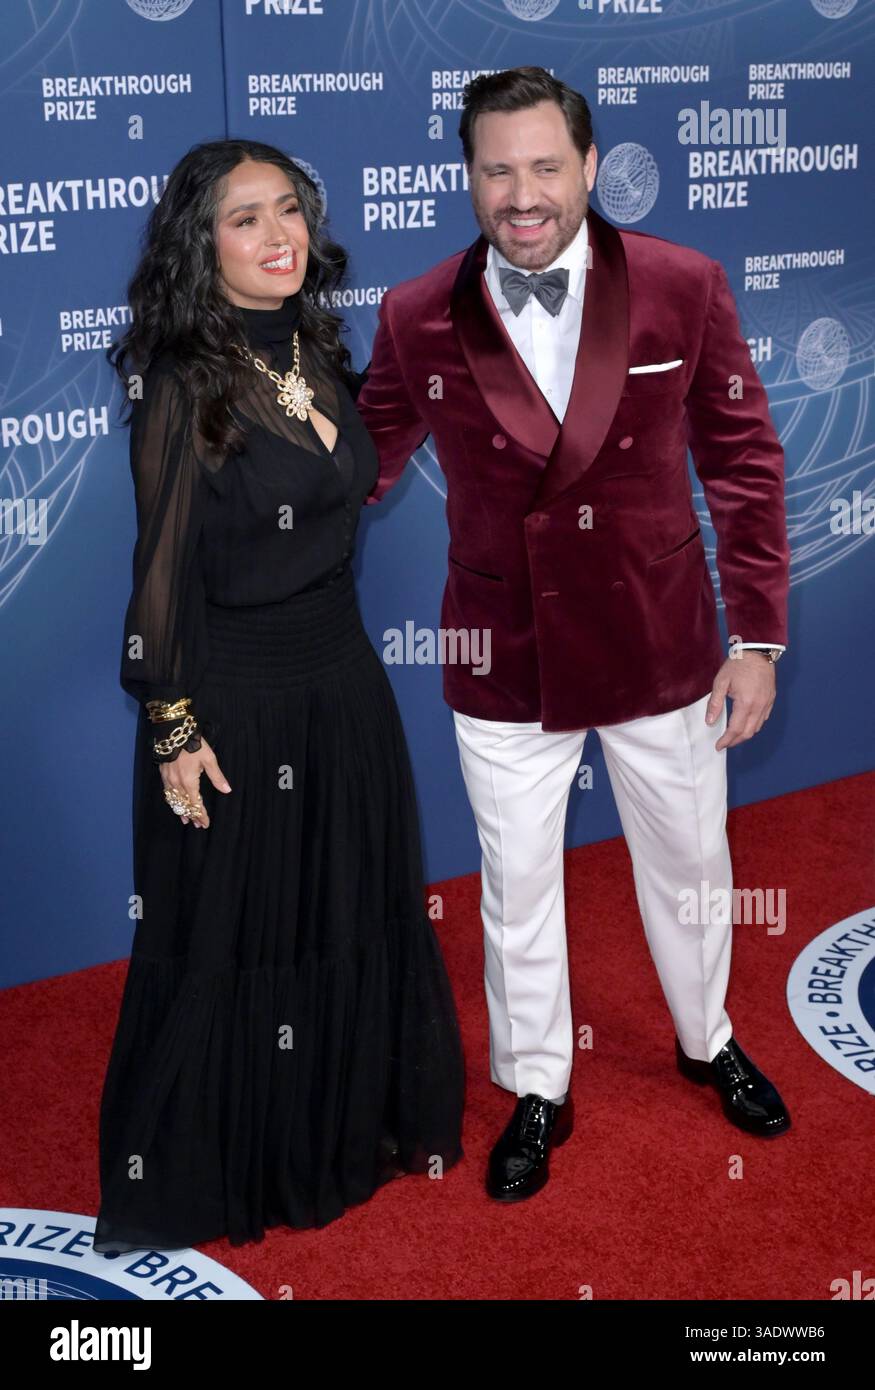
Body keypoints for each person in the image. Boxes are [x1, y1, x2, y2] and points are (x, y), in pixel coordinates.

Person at [356, 67, 791, 1205]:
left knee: (694, 869)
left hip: (660, 640)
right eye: (495, 170)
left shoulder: (682, 284)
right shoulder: (412, 312)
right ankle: (537, 1085)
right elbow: (359, 466)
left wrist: (756, 637)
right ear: (467, 178)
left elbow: (742, 462)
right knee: (515, 887)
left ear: (589, 168)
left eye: (544, 166)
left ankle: (707, 1037)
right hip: (501, 649)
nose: (521, 193)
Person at [94, 139, 464, 1253]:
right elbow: (156, 566)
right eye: (244, 218)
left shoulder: (314, 342)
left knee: (347, 908)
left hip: (341, 686)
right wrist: (171, 724)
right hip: (236, 699)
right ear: (199, 250)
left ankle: (338, 1128)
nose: (277, 234)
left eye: (287, 209)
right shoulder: (175, 377)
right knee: (237, 936)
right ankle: (230, 1161)